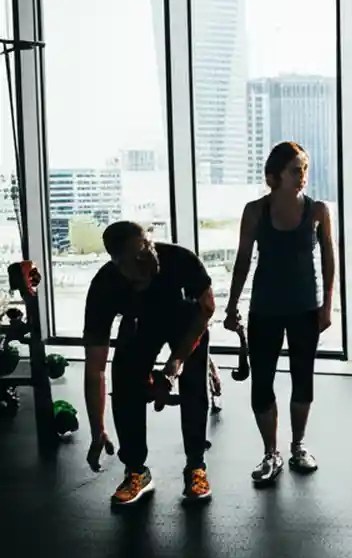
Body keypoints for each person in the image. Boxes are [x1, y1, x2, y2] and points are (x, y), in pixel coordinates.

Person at [224, 141, 336, 485]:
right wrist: (231, 306)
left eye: (305, 168)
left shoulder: (317, 210)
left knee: (303, 378)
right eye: (295, 170)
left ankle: (298, 445)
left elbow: (330, 260)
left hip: (305, 307)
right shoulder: (255, 211)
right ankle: (270, 452)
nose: (302, 176)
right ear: (275, 176)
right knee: (263, 382)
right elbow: (243, 261)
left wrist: (327, 305)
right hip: (266, 308)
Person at [83, 221, 216, 506]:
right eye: (138, 257)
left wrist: (174, 364)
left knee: (194, 380)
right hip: (140, 323)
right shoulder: (105, 286)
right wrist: (97, 429)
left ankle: (196, 466)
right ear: (119, 264)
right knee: (123, 380)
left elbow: (207, 309)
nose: (148, 257)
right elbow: (95, 369)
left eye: (148, 247)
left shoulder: (180, 260)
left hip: (186, 320)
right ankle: (136, 471)